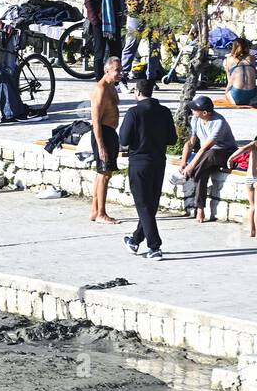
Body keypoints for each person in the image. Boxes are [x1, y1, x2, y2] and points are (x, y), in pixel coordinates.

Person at [119, 79, 177, 261]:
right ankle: (135, 240)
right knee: (150, 204)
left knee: (143, 205)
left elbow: (124, 139)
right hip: (158, 162)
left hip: (139, 163)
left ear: (137, 92)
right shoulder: (165, 112)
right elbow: (172, 139)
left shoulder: (134, 112)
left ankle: (154, 246)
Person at [182, 95, 238, 224]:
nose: (193, 112)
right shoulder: (196, 119)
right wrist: (184, 162)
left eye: (196, 110)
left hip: (225, 154)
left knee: (209, 153)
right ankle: (200, 208)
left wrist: (191, 166)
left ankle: (190, 173)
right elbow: (190, 143)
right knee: (201, 173)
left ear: (205, 113)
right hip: (207, 157)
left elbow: (205, 147)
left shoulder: (219, 122)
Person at [88, 56, 124, 224]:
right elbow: (96, 121)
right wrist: (101, 145)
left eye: (121, 70)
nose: (120, 73)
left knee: (103, 174)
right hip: (102, 133)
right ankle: (101, 213)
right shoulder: (101, 89)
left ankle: (95, 211)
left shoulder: (112, 87)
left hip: (110, 133)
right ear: (107, 70)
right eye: (117, 70)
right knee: (104, 175)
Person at [84, 0, 126, 82]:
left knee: (116, 52)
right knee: (99, 54)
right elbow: (88, 1)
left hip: (114, 22)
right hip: (100, 23)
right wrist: (95, 20)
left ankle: (114, 80)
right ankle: (100, 82)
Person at [224, 38, 257, 106]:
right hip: (252, 96)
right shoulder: (252, 58)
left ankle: (233, 101)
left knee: (227, 93)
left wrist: (226, 93)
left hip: (236, 95)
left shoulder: (229, 59)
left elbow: (229, 81)